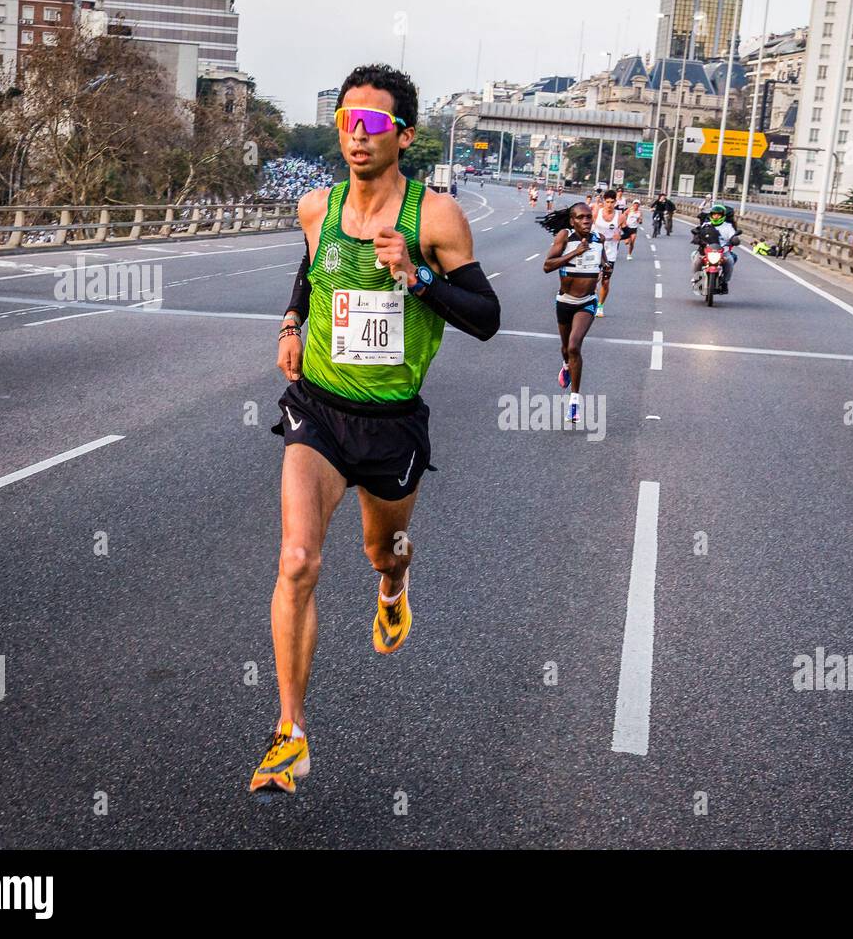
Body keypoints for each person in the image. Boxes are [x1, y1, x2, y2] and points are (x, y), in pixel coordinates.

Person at [254, 64, 501, 794]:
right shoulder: (315, 206)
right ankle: (289, 733)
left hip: (393, 424)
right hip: (320, 410)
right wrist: (293, 321)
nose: (356, 137)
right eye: (346, 123)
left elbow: (486, 319)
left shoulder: (436, 218)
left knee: (380, 551)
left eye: (372, 125)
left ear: (404, 135)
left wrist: (419, 278)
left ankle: (394, 586)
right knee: (298, 560)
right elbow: (309, 268)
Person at [539, 202, 602, 424]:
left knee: (575, 346)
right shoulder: (564, 237)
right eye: (581, 217)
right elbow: (547, 265)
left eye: (589, 216)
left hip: (587, 302)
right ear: (572, 220)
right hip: (565, 301)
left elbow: (601, 262)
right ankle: (566, 365)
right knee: (566, 348)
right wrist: (575, 252)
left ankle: (574, 404)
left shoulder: (599, 239)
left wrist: (607, 267)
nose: (586, 220)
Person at [689, 202, 740, 295]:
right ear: (711, 215)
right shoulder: (706, 225)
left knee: (730, 261)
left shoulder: (728, 227)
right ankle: (696, 279)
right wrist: (697, 238)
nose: (716, 216)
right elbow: (699, 233)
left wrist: (735, 239)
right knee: (697, 260)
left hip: (723, 251)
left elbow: (733, 236)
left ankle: (725, 282)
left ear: (723, 216)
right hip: (706, 250)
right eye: (714, 214)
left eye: (718, 215)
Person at [590, 189, 622, 318]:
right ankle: (591, 298)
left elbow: (625, 231)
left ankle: (600, 306)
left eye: (612, 202)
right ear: (604, 201)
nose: (609, 205)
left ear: (615, 202)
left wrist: (619, 235)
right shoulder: (596, 212)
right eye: (607, 202)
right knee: (593, 278)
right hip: (595, 248)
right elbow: (587, 226)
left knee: (606, 281)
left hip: (610, 251)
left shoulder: (620, 216)